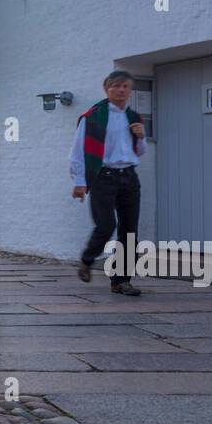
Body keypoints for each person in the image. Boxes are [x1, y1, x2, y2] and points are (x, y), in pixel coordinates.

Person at [70, 70, 146, 295]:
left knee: (129, 231)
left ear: (130, 91)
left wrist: (141, 136)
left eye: (125, 87)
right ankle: (87, 259)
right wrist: (79, 182)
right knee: (106, 225)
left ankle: (121, 281)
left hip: (130, 177)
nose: (121, 90)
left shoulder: (134, 118)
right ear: (107, 89)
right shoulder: (93, 116)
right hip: (104, 177)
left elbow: (140, 152)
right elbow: (78, 152)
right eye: (116, 86)